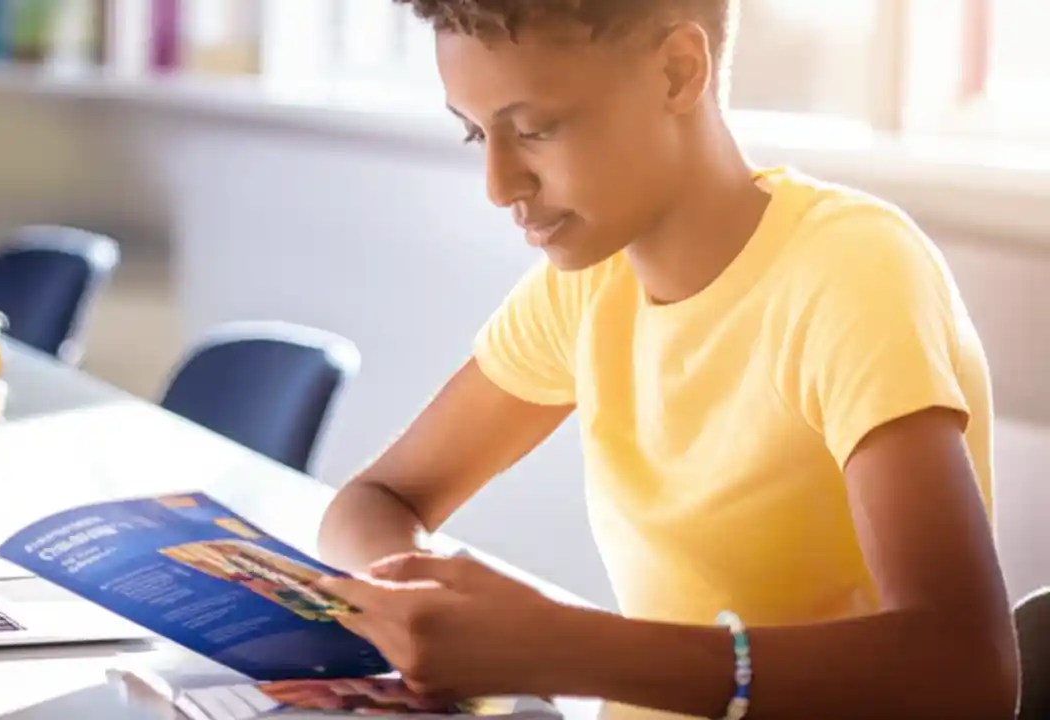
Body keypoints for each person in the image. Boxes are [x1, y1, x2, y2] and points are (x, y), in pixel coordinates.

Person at [312, 2, 1020, 719]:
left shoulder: (851, 273)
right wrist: (427, 605)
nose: (499, 186)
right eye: (474, 133)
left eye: (535, 129)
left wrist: (561, 646)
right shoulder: (588, 286)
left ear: (678, 72)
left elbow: (965, 671)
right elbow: (375, 500)